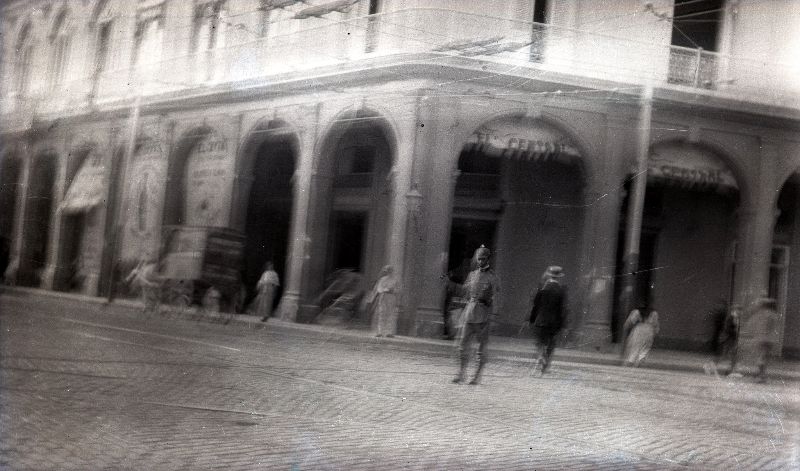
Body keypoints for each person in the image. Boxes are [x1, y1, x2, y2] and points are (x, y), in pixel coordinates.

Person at [451, 245, 500, 385]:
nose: (480, 262)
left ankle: (477, 376)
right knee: (462, 345)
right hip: (469, 313)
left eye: (483, 259)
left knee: (481, 348)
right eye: (479, 259)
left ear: (488, 259)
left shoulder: (493, 277)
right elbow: (465, 292)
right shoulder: (472, 275)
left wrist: (493, 312)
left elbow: (497, 297)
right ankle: (462, 373)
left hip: (483, 315)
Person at [527, 266, 567, 376]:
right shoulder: (561, 290)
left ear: (549, 275)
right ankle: (544, 368)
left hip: (541, 320)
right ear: (558, 277)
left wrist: (531, 319)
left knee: (540, 343)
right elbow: (562, 309)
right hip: (554, 322)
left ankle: (540, 357)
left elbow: (535, 306)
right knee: (551, 344)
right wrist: (563, 325)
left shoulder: (542, 288)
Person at [749, 297, 779, 384]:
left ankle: (759, 374)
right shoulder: (773, 315)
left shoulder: (759, 314)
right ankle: (761, 375)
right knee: (764, 358)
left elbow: (751, 324)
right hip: (769, 339)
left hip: (759, 338)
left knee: (761, 357)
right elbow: (775, 327)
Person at [367, 265, 400, 337]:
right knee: (382, 313)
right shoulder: (382, 279)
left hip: (391, 297)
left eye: (390, 271)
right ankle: (380, 332)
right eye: (387, 271)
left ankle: (389, 332)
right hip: (383, 296)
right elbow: (379, 288)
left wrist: (393, 290)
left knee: (390, 314)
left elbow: (398, 290)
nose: (389, 272)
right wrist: (385, 289)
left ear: (392, 271)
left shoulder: (395, 280)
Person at [714, 304, 741, 376]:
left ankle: (729, 371)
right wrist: (734, 332)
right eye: (738, 310)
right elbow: (727, 328)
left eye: (739, 310)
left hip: (733, 339)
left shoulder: (737, 318)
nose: (739, 311)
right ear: (734, 310)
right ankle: (713, 364)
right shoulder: (730, 318)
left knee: (733, 356)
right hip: (729, 339)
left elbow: (737, 328)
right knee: (725, 355)